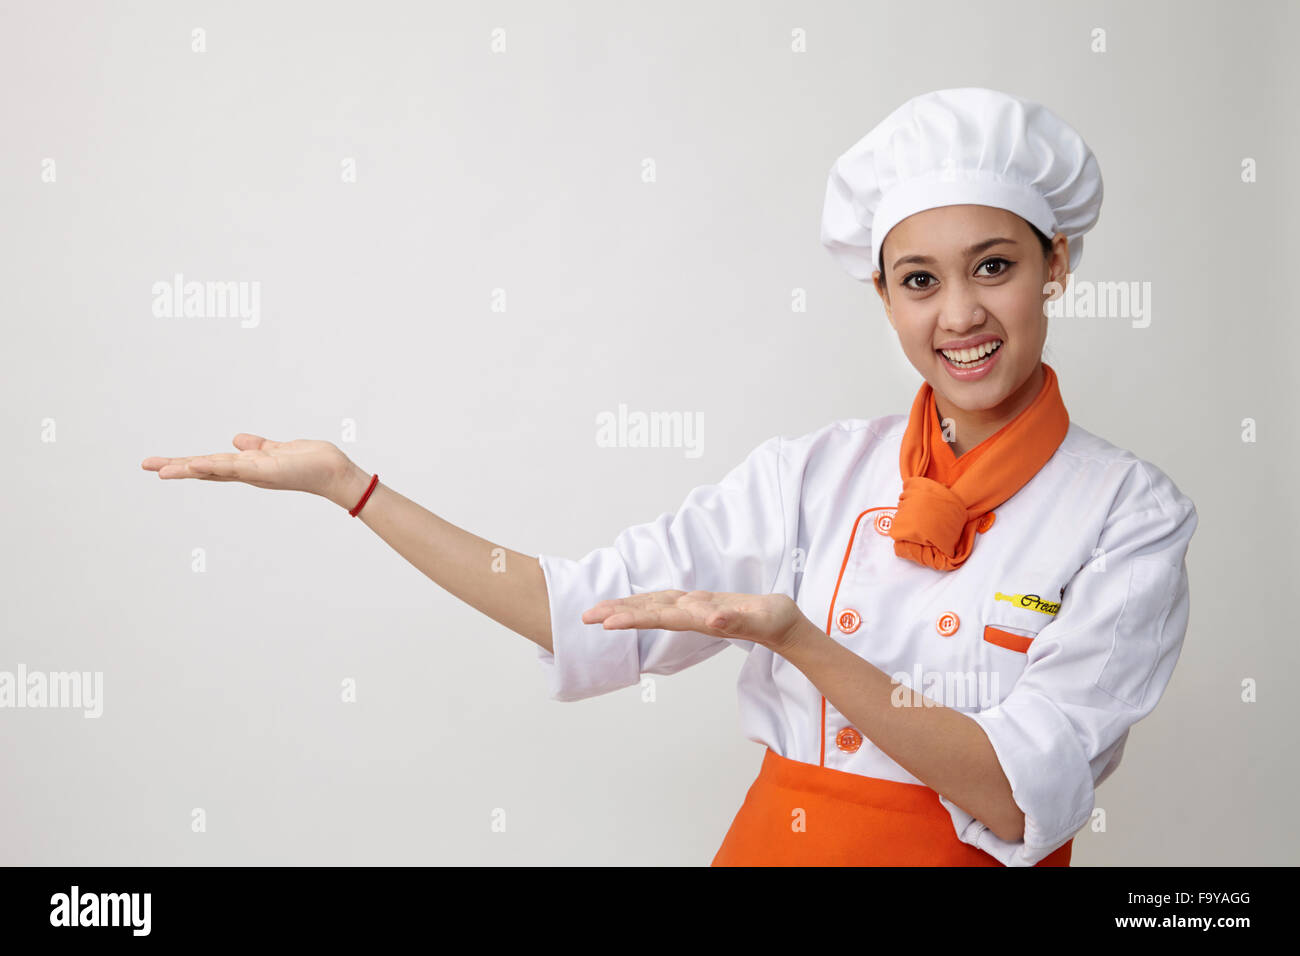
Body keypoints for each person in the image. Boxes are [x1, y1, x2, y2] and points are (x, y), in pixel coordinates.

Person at [141, 87, 1197, 867]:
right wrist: (352, 487)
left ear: (1056, 262)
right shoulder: (813, 474)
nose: (957, 314)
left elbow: (1019, 797)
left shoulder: (1127, 512)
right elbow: (581, 608)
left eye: (994, 266)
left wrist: (795, 635)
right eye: (918, 280)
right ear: (882, 297)